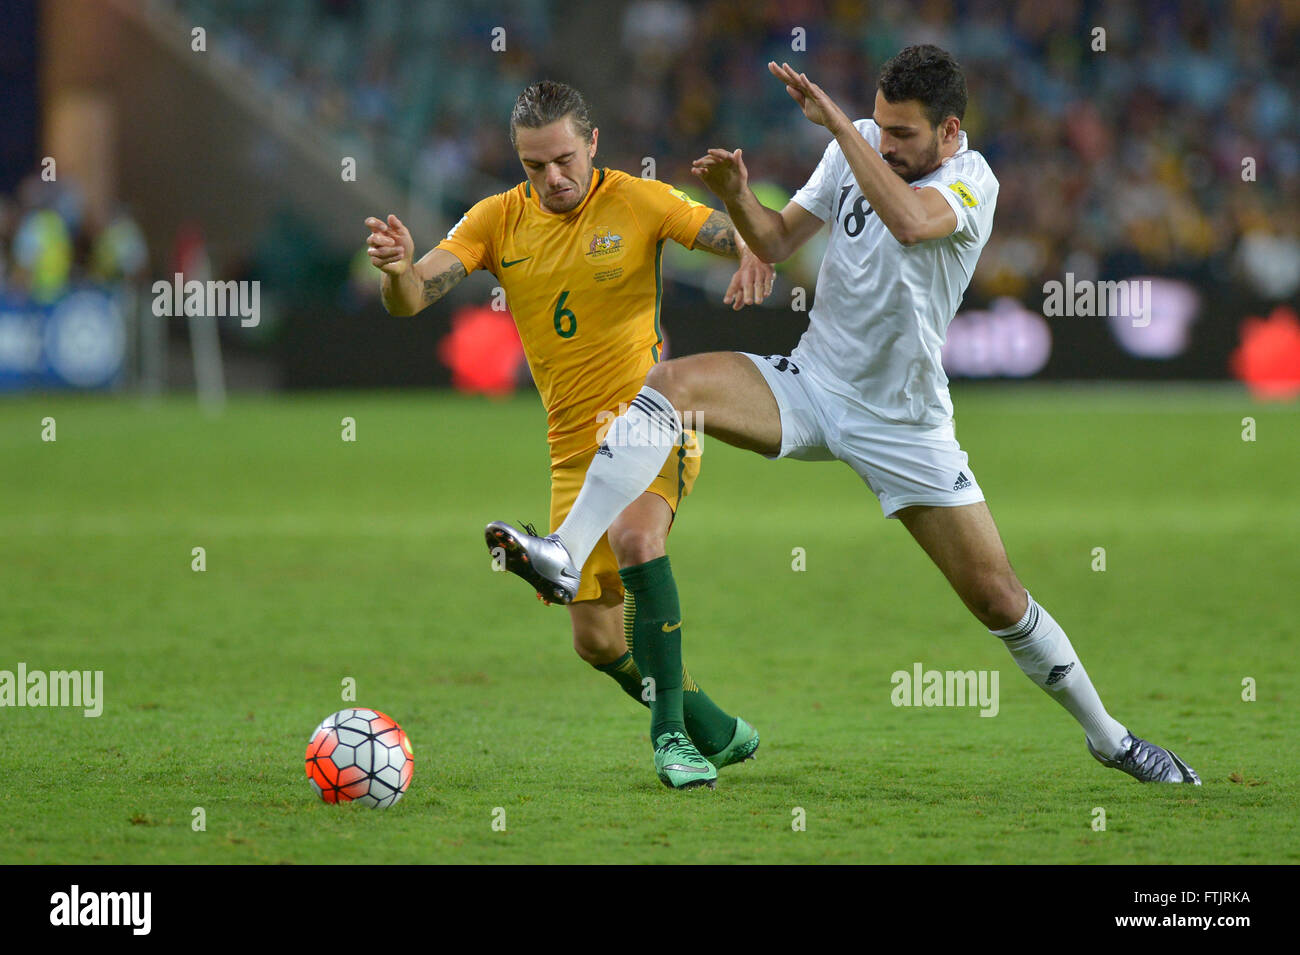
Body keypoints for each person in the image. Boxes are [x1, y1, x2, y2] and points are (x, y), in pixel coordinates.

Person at [487, 49, 1201, 785]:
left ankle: (1111, 738)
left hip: (906, 425)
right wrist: (737, 196)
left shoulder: (971, 179)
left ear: (949, 130)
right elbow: (774, 240)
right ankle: (565, 551)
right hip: (813, 383)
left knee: (999, 598)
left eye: (903, 133)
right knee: (667, 385)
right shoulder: (853, 147)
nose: (886, 142)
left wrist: (837, 123)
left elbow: (913, 222)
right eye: (880, 125)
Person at [368, 80, 769, 790]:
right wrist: (398, 271)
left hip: (654, 422)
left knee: (638, 539)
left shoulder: (639, 200)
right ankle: (715, 726)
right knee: (595, 640)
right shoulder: (497, 219)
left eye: (562, 160)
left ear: (591, 145)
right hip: (573, 453)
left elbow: (735, 234)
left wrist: (749, 240)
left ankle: (672, 737)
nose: (551, 178)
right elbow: (411, 297)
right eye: (533, 165)